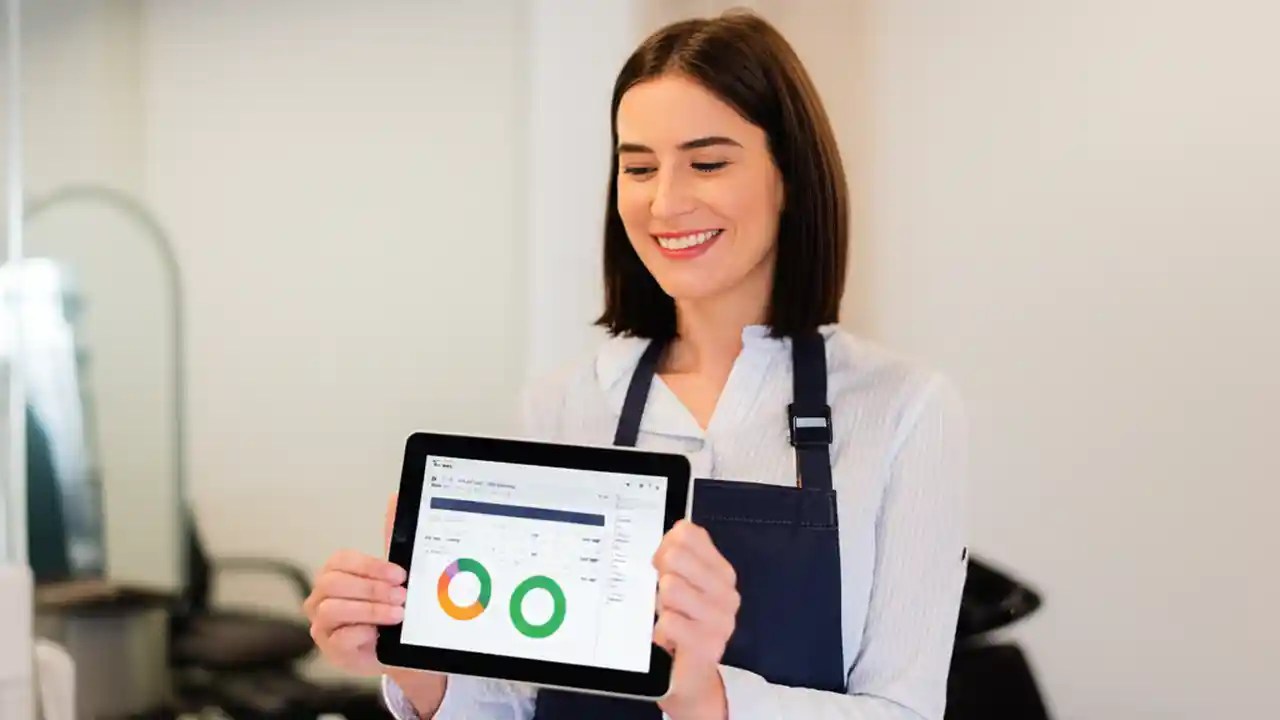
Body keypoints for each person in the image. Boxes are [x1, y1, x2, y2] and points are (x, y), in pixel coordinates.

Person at [303, 11, 967, 720]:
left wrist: (705, 697)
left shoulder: (903, 410)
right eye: (639, 166)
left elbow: (906, 711)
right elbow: (513, 703)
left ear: (791, 178)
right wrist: (417, 671)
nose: (666, 201)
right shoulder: (563, 405)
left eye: (708, 162)